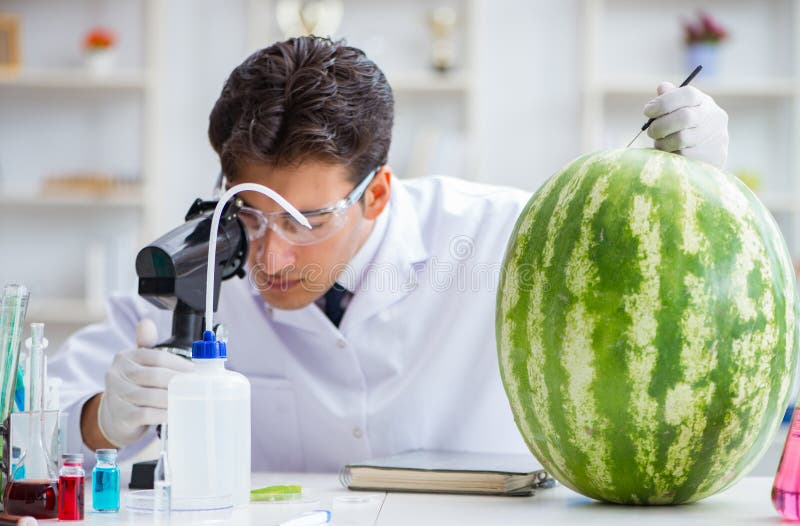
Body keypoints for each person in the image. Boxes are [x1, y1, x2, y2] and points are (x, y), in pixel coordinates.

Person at [49, 36, 729, 472]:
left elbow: (675, 309)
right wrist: (101, 419)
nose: (271, 256)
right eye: (252, 212)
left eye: (307, 219)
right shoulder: (203, 263)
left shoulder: (506, 237)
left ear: (376, 194)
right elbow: (30, 420)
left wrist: (703, 187)